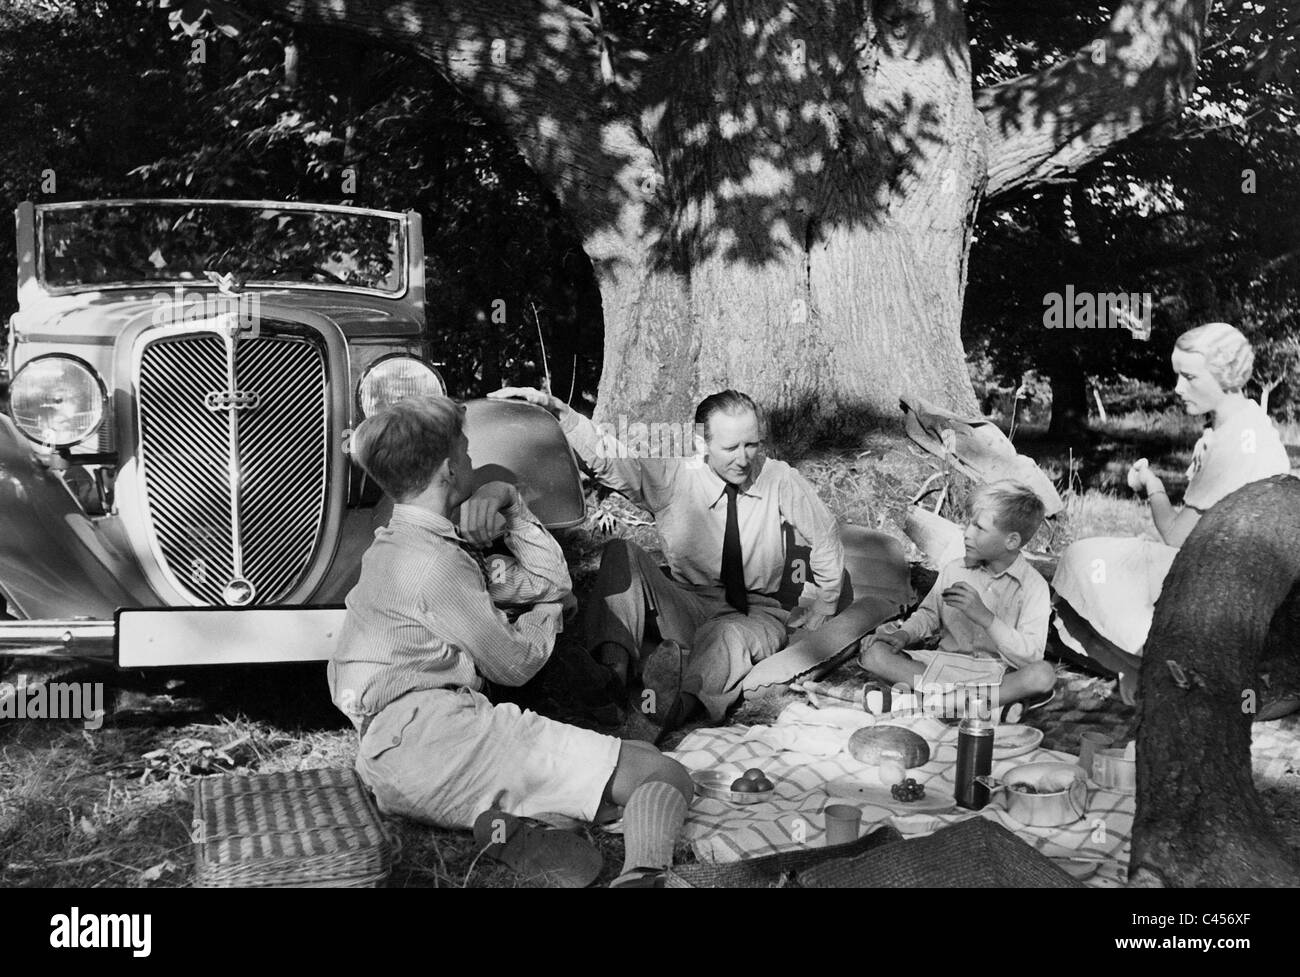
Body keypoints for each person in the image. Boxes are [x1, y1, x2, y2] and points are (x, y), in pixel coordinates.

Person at [327, 395, 693, 888]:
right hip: (441, 741)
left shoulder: (393, 548)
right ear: (448, 469)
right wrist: (548, 615)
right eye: (465, 450)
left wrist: (509, 499)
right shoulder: (435, 564)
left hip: (388, 766)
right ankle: (643, 875)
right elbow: (515, 664)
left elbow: (548, 578)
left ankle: (510, 825)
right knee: (664, 774)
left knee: (596, 782)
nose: (472, 461)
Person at [490, 386, 845, 739]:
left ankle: (668, 714)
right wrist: (562, 414)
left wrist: (826, 602)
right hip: (688, 604)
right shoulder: (676, 476)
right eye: (731, 447)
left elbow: (823, 532)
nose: (744, 458)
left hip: (755, 614)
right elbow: (613, 462)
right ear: (701, 443)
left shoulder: (778, 478)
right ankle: (610, 681)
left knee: (726, 635)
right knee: (619, 552)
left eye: (752, 444)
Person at [1051, 323, 1292, 699]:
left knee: (1082, 561)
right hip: (1231, 573)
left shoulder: (1235, 442)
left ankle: (1157, 664)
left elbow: (1176, 535)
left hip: (1227, 589)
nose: (1178, 388)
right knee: (1098, 565)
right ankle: (1150, 664)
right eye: (1178, 375)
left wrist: (1151, 485)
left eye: (1190, 377)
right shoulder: (1245, 425)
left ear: (1225, 375)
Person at [859, 480, 1055, 718]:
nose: (967, 533)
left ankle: (921, 702)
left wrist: (986, 618)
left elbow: (1031, 656)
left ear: (1011, 541)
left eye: (979, 528)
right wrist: (903, 635)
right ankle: (984, 707)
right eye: (969, 524)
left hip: (998, 673)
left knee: (1043, 674)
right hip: (943, 668)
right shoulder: (955, 569)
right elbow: (929, 615)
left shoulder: (1034, 587)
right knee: (874, 653)